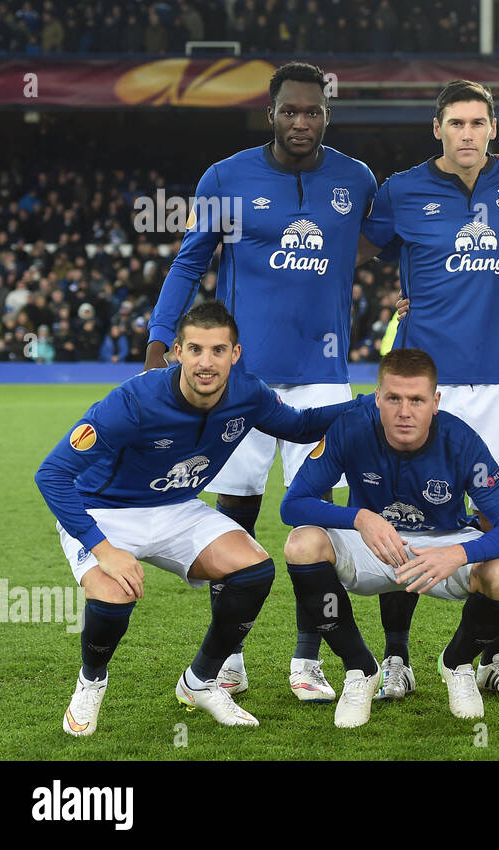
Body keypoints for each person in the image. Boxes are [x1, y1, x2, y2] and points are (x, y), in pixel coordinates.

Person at [145, 61, 380, 703]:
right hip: (241, 382)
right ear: (270, 113)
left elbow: (401, 241)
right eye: (289, 111)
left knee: (321, 526)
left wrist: (415, 299)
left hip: (325, 382)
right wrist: (157, 344)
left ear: (326, 115)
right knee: (236, 518)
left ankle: (308, 659)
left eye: (312, 111)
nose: (300, 122)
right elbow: (190, 260)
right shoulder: (226, 177)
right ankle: (230, 657)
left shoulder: (355, 179)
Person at [36, 302, 361, 736]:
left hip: (176, 508)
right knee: (112, 595)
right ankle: (91, 680)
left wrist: (367, 404)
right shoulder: (133, 401)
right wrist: (104, 550)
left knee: (254, 569)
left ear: (236, 354)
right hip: (104, 511)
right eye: (195, 350)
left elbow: (300, 427)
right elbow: (52, 474)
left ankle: (200, 681)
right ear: (178, 351)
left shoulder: (249, 394)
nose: (206, 363)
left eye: (218, 350)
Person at [358, 79, 499, 702]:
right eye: (456, 122)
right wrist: (397, 297)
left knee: (498, 521)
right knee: (403, 516)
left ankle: (491, 655)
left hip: (498, 383)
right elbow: (360, 247)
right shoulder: (401, 191)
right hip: (421, 386)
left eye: (478, 123)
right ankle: (396, 659)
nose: (467, 133)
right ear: (437, 128)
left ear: (494, 128)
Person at [279, 348, 499, 727]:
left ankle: (457, 662)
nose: (404, 411)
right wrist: (359, 517)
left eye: (416, 400)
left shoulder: (461, 440)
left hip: (442, 544)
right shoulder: (351, 427)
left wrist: (458, 553)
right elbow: (292, 505)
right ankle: (360, 669)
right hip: (373, 544)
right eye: (393, 398)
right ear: (377, 397)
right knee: (302, 544)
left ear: (435, 402)